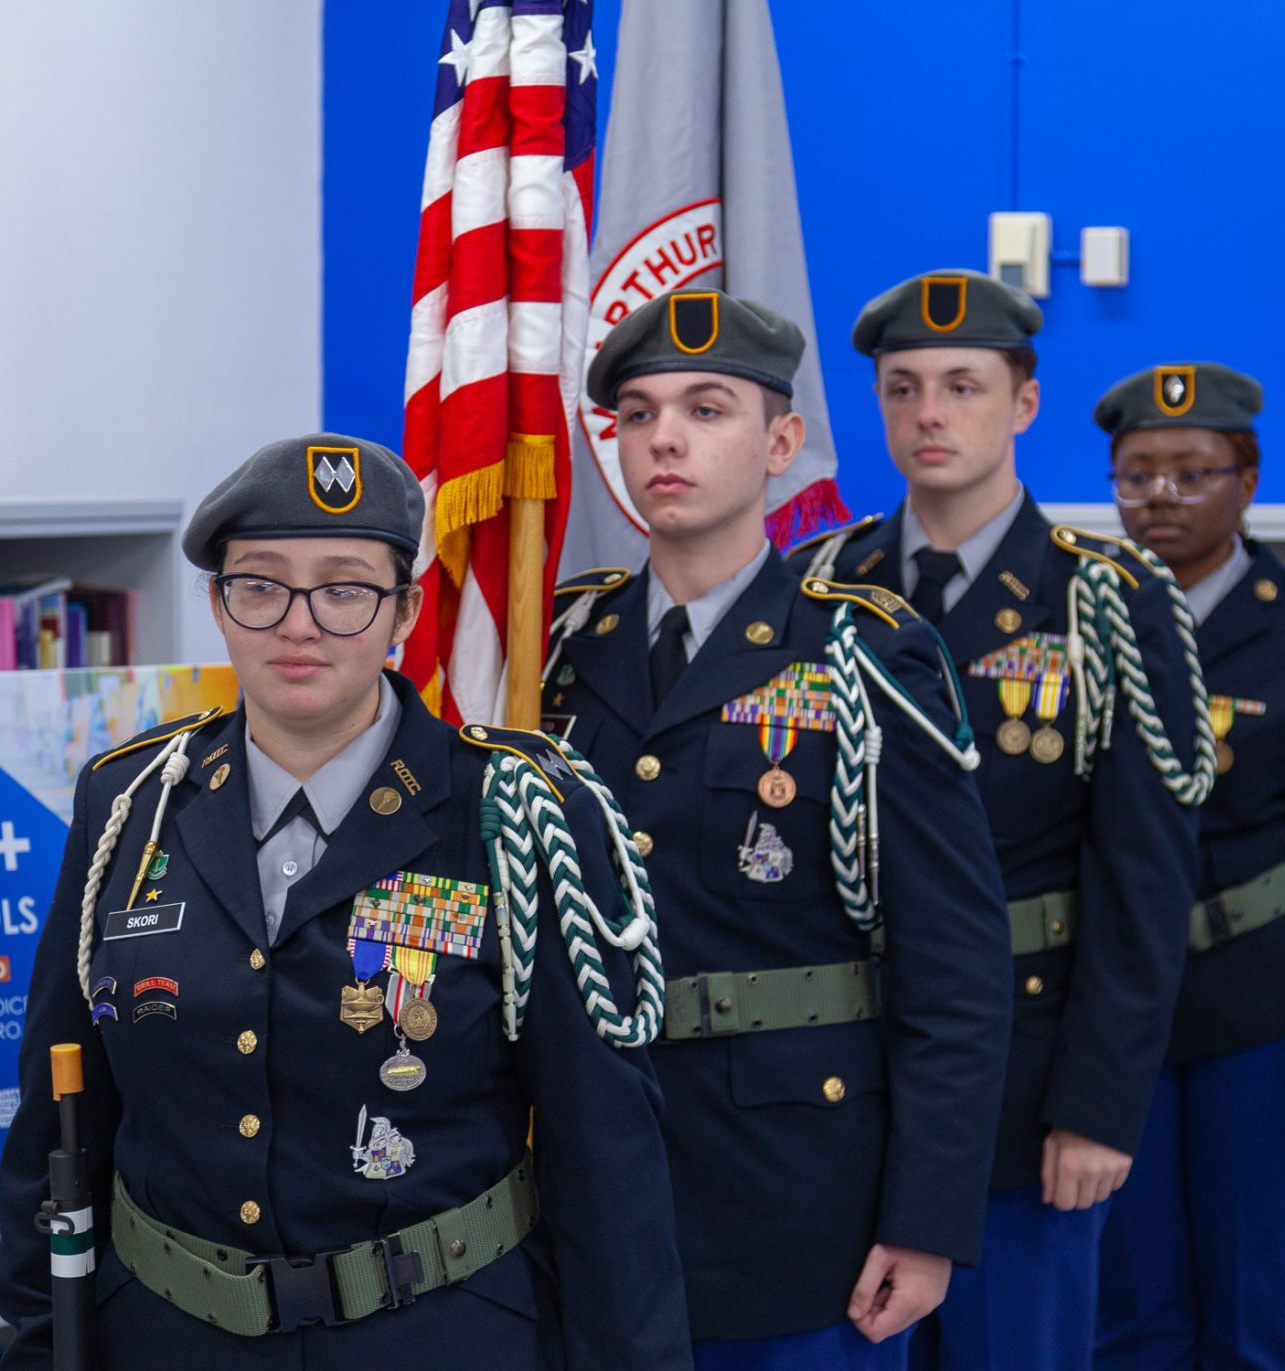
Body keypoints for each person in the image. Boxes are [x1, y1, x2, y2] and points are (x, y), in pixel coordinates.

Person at [0, 433, 693, 1369]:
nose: (299, 623)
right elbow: (56, 1115)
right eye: (261, 584)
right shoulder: (130, 804)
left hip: (437, 1335)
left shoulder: (515, 814)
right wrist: (40, 1341)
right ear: (217, 603)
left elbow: (607, 1153)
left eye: (344, 588)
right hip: (165, 1336)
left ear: (404, 608)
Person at [544, 287, 1013, 1370]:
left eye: (708, 410)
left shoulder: (860, 657)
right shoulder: (560, 649)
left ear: (782, 442)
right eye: (639, 413)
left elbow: (957, 964)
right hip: (587, 1185)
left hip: (796, 1196)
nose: (665, 437)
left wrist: (928, 1219)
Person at [793, 269, 1210, 1371]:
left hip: (1030, 1086)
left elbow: (1146, 878)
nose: (930, 415)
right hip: (850, 1071)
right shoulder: (819, 589)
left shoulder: (1108, 599)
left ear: (1023, 404)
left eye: (964, 386)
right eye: (903, 388)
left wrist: (1101, 1105)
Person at [1090, 364, 1285, 1371]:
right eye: (1137, 476)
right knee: (1130, 1315)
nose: (1162, 498)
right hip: (1110, 1013)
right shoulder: (1075, 612)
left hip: (1261, 1011)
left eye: (1192, 472)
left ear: (1248, 479)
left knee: (1256, 1316)